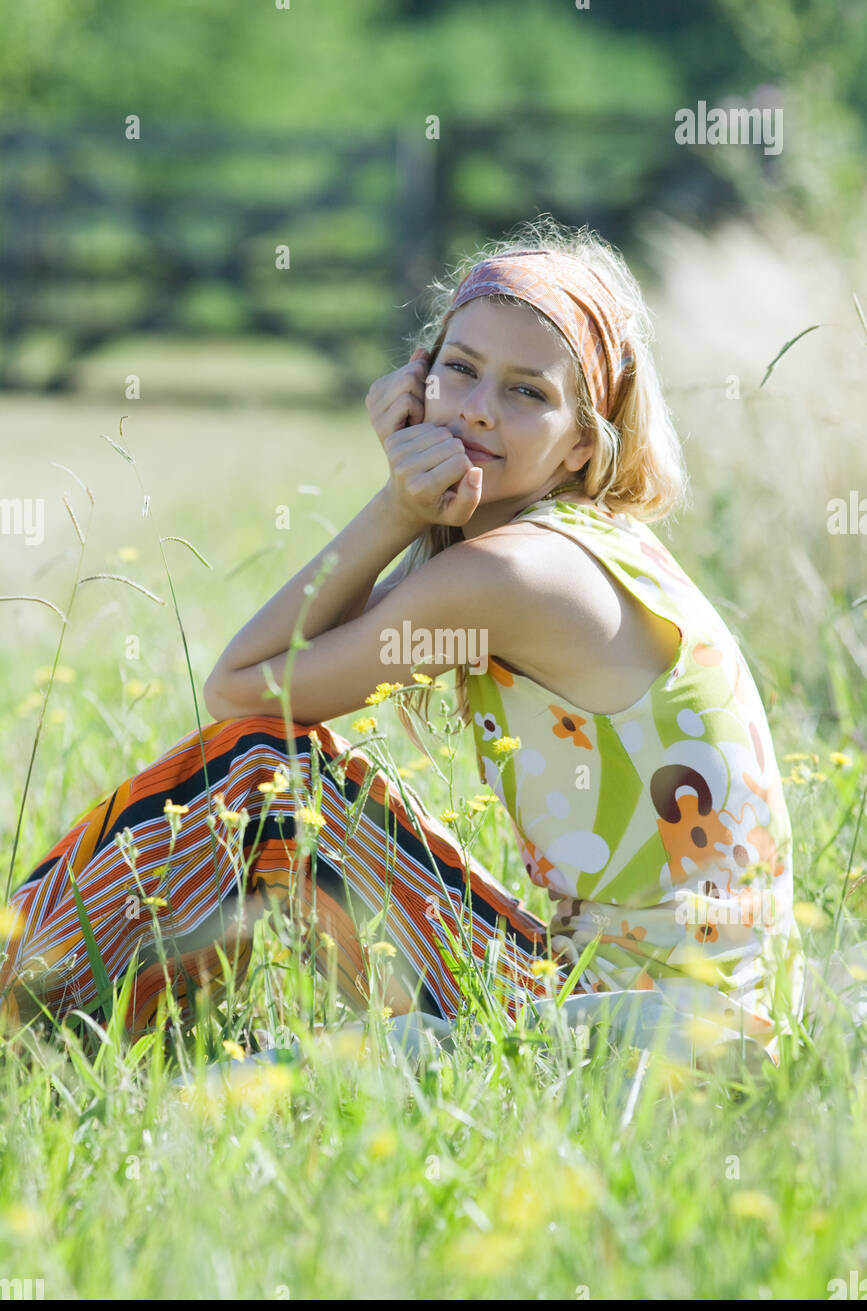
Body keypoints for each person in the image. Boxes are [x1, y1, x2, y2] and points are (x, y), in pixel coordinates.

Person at [1, 216, 805, 1071]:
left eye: (526, 392)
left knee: (267, 778)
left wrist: (397, 506)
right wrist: (410, 506)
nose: (477, 411)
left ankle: (19, 1008)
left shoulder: (513, 574)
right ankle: (92, 1027)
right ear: (418, 379)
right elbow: (289, 675)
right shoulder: (575, 545)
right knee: (293, 777)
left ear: (580, 443)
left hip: (641, 1030)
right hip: (697, 1014)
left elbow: (243, 692)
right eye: (459, 370)